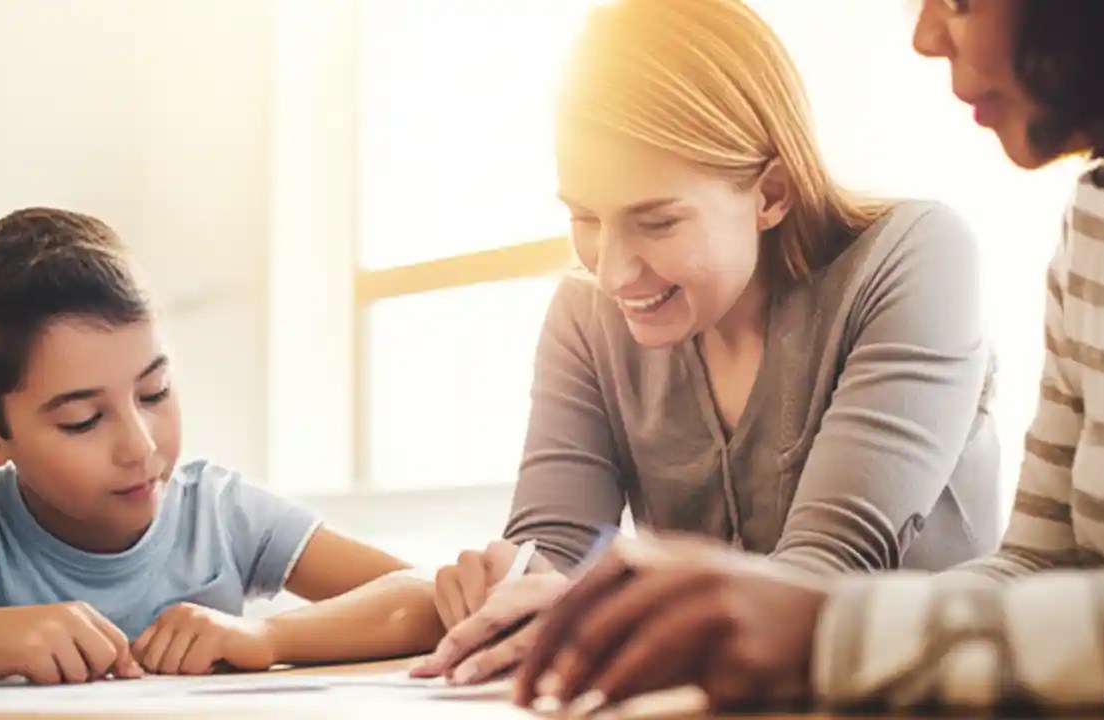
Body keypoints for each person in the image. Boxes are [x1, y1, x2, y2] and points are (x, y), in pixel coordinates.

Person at [513, 0, 1104, 713]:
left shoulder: (911, 254)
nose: (923, 36)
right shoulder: (1102, 221)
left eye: (962, 2)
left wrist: (830, 631)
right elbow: (1041, 564)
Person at [413, 0, 1002, 685]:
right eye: (585, 217)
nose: (610, 271)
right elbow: (554, 552)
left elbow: (827, 570)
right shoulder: (585, 315)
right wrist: (508, 587)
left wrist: (591, 605)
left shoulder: (913, 259)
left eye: (656, 223)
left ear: (771, 194)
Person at [0, 208, 444, 684]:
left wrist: (269, 636)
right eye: (84, 420)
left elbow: (428, 597)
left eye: (154, 392)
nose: (140, 448)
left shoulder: (220, 514)